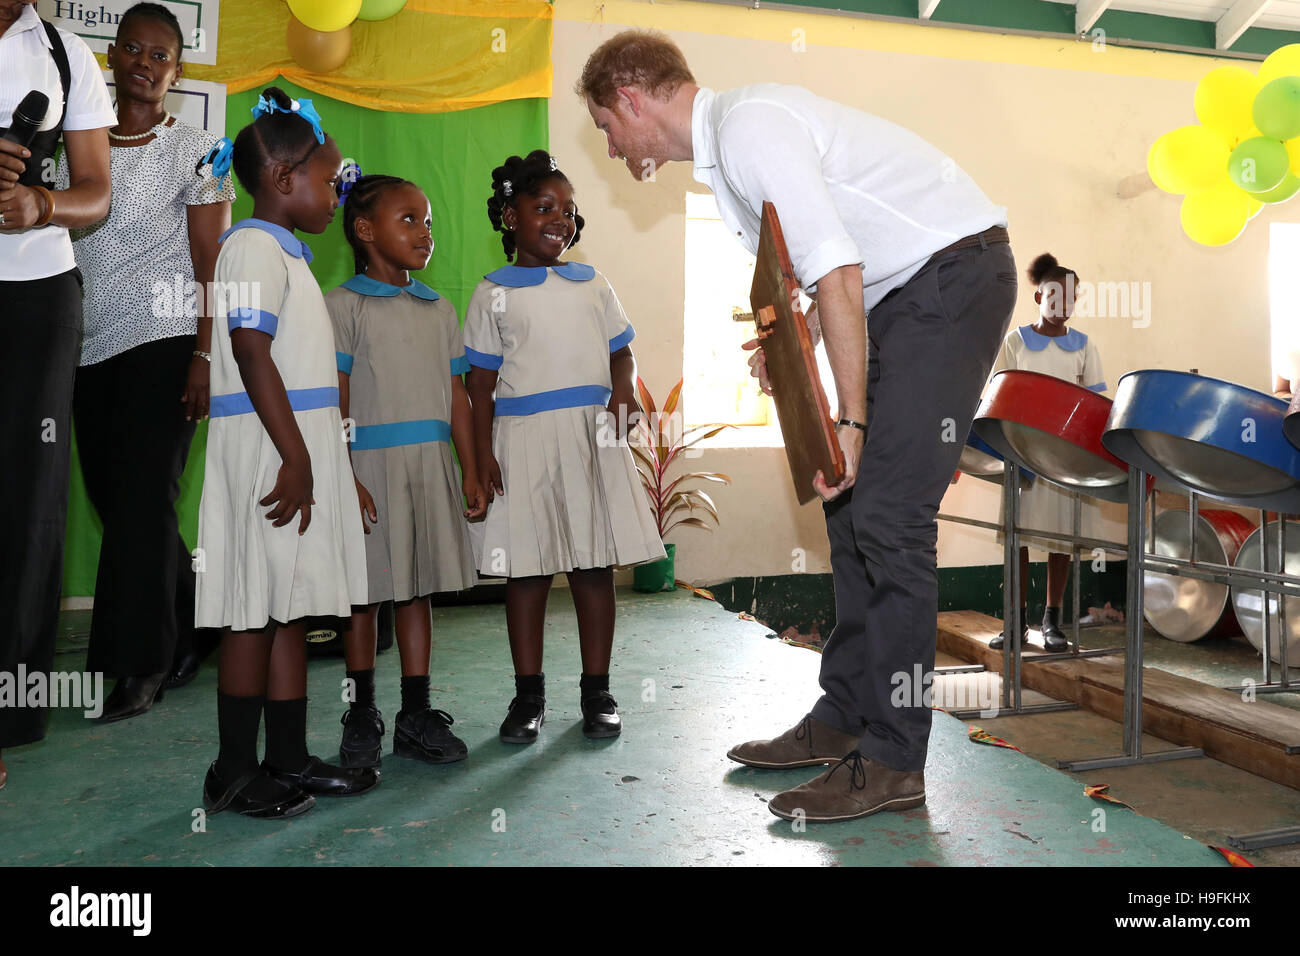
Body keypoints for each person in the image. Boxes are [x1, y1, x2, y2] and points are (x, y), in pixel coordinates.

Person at [578, 30, 1015, 822]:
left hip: (950, 277)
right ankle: (844, 714)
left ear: (633, 98)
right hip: (902, 290)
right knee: (846, 504)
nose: (611, 147)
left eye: (607, 125)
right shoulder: (728, 158)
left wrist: (848, 418)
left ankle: (893, 758)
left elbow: (840, 269)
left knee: (889, 514)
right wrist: (799, 339)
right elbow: (825, 270)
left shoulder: (750, 130)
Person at [194, 87, 376, 819]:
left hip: (293, 446)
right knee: (250, 613)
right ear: (282, 179)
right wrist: (297, 460)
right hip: (272, 453)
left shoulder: (287, 254)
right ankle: (232, 771)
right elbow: (250, 351)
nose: (338, 195)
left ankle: (289, 759)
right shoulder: (249, 245)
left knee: (287, 608)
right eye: (331, 182)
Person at [59, 3, 232, 723]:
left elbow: (209, 259)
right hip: (87, 346)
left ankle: (140, 665)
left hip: (165, 342)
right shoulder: (78, 150)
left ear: (177, 69)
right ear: (112, 58)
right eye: (133, 47)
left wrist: (203, 351)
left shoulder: (197, 148)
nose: (145, 62)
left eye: (161, 54)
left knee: (138, 504)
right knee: (127, 504)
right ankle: (196, 626)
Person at [463, 149, 664, 744]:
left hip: (590, 437)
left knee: (592, 566)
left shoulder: (592, 283)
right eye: (543, 206)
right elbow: (478, 386)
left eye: (569, 210)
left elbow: (621, 352)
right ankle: (528, 697)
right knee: (525, 572)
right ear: (510, 217)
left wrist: (624, 392)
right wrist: (480, 458)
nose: (560, 219)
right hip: (520, 438)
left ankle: (597, 692)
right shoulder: (492, 292)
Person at [327, 173, 486, 768]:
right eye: (409, 220)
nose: (425, 233)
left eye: (428, 222)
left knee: (416, 590)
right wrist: (344, 471)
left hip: (427, 467)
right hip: (369, 466)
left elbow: (457, 397)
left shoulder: (439, 310)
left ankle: (415, 714)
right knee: (363, 597)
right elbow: (335, 400)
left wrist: (469, 468)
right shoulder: (343, 307)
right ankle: (361, 708)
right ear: (365, 230)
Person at [0, 0, 113, 790]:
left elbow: (96, 192)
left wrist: (41, 204)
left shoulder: (68, 55)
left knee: (26, 501)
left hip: (37, 296)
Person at [987, 253, 1106, 654]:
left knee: (1061, 540)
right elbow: (999, 396)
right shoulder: (1016, 342)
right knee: (1017, 539)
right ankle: (1016, 621)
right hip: (1023, 454)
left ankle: (1052, 620)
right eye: (1054, 296)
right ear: (1039, 297)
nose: (1062, 305)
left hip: (1066, 458)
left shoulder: (1084, 347)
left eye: (1070, 298)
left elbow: (1092, 403)